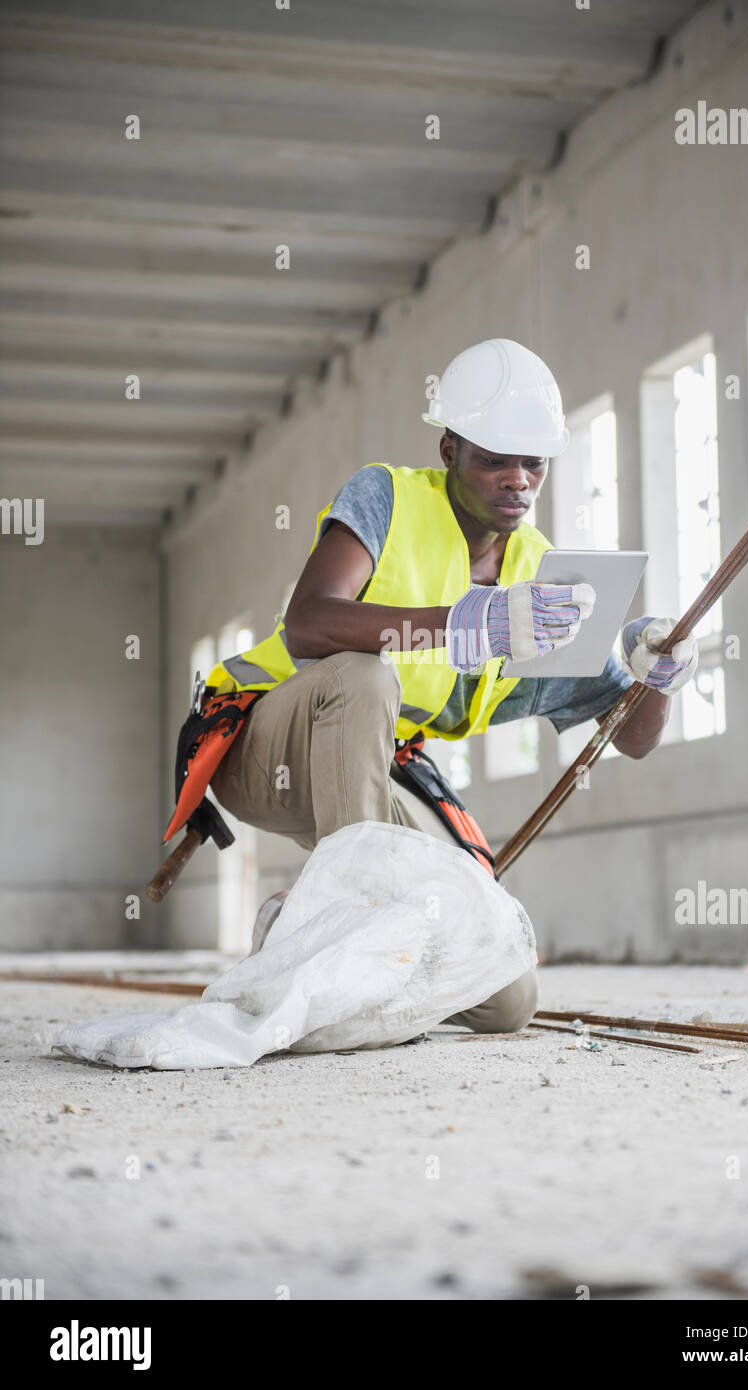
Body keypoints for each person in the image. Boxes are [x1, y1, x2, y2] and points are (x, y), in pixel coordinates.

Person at [208, 339, 698, 1033]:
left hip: (373, 770)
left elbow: (634, 737)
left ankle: (296, 924)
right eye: (494, 458)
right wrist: (470, 618)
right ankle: (345, 943)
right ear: (449, 453)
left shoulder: (541, 581)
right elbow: (307, 624)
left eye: (533, 462)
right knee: (363, 673)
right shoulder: (386, 497)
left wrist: (657, 676)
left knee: (503, 997)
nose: (517, 480)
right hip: (268, 749)